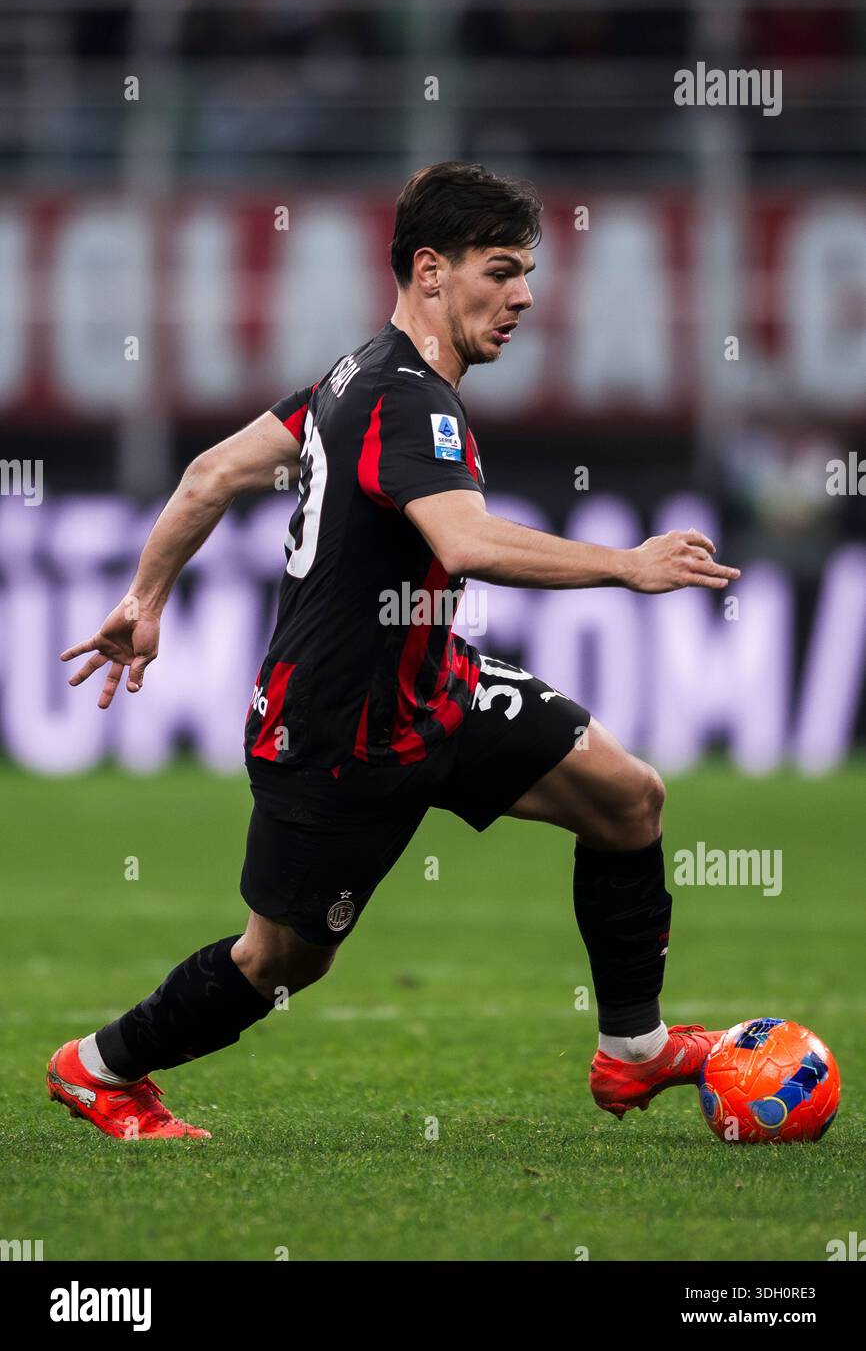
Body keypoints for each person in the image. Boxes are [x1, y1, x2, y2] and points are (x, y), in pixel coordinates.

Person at [47, 162, 740, 1140]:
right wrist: (624, 564)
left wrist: (144, 599)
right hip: (335, 733)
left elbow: (211, 473)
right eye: (499, 271)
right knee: (279, 963)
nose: (524, 296)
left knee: (627, 796)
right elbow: (466, 542)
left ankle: (630, 1050)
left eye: (527, 273)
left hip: (432, 689)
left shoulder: (353, 375)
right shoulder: (408, 401)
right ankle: (99, 1067)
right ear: (428, 269)